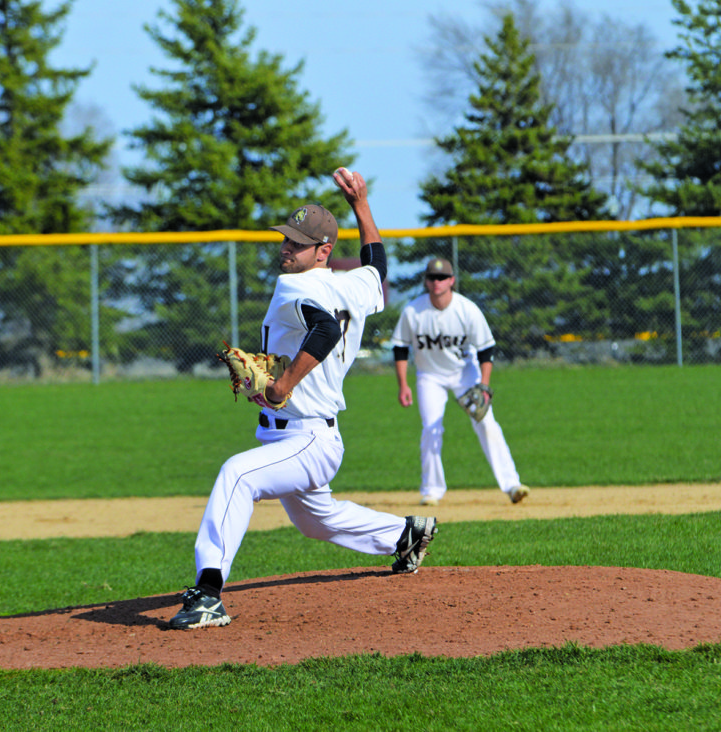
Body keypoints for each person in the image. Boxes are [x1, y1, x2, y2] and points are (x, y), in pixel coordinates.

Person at [169, 169, 439, 630]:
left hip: (307, 433)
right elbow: (376, 266)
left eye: (297, 243)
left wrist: (282, 384)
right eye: (286, 240)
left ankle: (208, 593)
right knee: (317, 522)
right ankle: (404, 534)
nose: (286, 249)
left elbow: (326, 329)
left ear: (323, 250)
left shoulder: (297, 285)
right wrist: (362, 207)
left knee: (236, 475)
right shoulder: (349, 284)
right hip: (304, 436)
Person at [391, 257, 528, 507]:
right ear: (426, 281)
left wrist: (483, 386)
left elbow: (486, 350)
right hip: (430, 377)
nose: (437, 282)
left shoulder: (467, 310)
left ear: (452, 281)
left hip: (465, 375)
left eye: (442, 277)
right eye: (432, 277)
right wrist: (403, 384)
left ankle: (512, 485)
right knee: (431, 429)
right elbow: (400, 348)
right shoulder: (413, 311)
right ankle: (431, 490)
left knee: (487, 424)